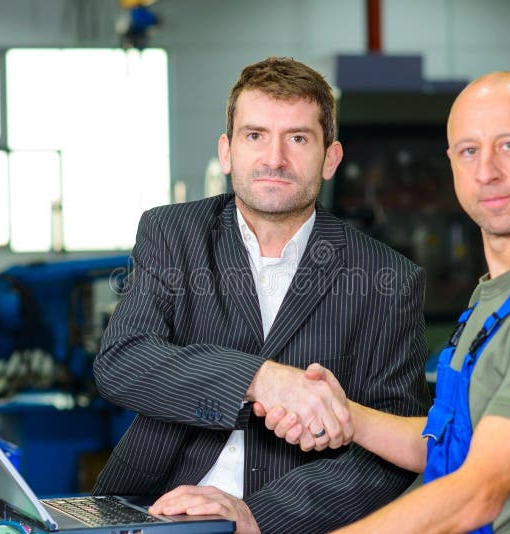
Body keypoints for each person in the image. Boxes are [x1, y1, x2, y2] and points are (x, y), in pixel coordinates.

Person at [264, 71, 510, 532]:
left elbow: (477, 493)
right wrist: (345, 413)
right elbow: (451, 444)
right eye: (470, 151)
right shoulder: (500, 292)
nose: (486, 171)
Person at [92, 56, 431, 534]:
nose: (275, 159)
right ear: (227, 151)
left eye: (297, 138)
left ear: (330, 158)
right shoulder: (172, 233)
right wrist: (260, 379)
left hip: (296, 522)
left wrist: (259, 516)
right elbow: (123, 362)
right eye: (255, 136)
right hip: (153, 507)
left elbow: (392, 452)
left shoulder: (387, 277)